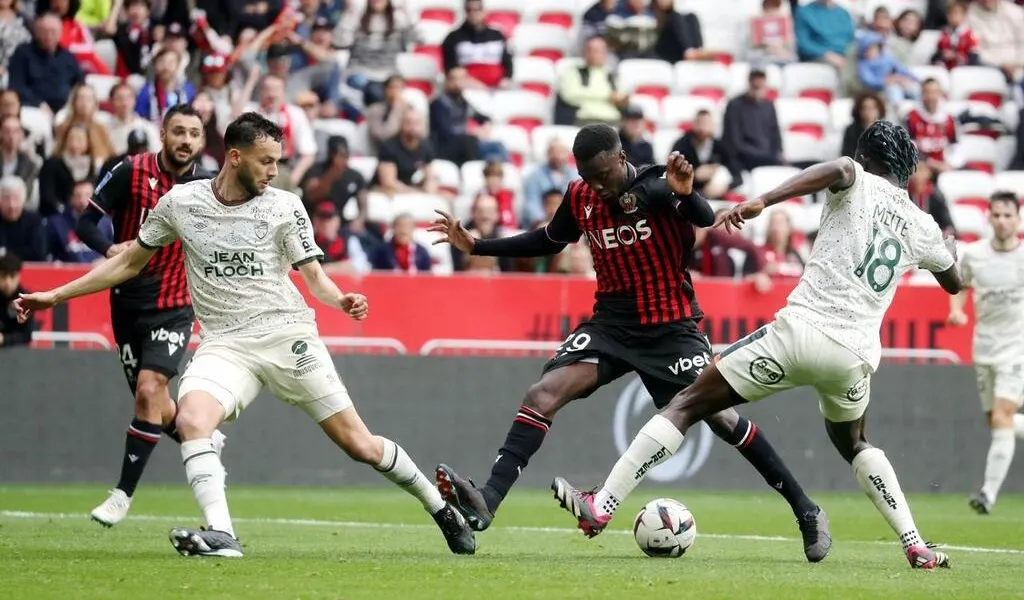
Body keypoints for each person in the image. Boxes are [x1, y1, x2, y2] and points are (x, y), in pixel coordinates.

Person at [15, 112, 475, 558]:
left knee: (361, 445)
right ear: (234, 157)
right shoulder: (181, 203)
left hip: (287, 337)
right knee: (192, 421)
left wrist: (341, 300)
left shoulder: (284, 205)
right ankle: (222, 533)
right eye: (265, 161)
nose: (274, 171)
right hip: (224, 344)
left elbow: (314, 277)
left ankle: (439, 507)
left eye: (277, 161)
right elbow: (129, 261)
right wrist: (54, 296)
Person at [550, 120, 960, 570]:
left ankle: (603, 505)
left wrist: (763, 200)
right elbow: (954, 282)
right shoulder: (923, 225)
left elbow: (837, 168)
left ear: (866, 158)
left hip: (799, 333)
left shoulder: (854, 174)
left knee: (686, 403)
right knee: (857, 442)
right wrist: (949, 248)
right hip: (855, 357)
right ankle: (915, 543)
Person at [428, 123, 831, 562]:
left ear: (621, 159)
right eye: (589, 177)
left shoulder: (658, 186)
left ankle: (806, 510)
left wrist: (688, 191)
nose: (598, 187)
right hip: (612, 326)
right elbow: (549, 238)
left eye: (603, 176)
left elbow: (700, 217)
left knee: (721, 419)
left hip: (671, 328)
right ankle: (487, 499)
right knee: (542, 393)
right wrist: (477, 246)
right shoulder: (580, 195)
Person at [72, 104, 217, 528]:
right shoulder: (129, 171)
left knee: (150, 389)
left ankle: (122, 495)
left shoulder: (209, 185)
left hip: (175, 304)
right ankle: (202, 437)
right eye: (179, 131)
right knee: (153, 401)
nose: (186, 140)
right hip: (125, 302)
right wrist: (109, 248)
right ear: (163, 133)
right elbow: (86, 224)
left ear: (201, 141)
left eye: (194, 133)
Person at [947, 191, 1024, 515]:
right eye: (997, 215)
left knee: (1003, 416)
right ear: (989, 218)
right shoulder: (975, 254)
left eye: (1008, 215)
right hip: (984, 347)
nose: (1002, 221)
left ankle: (987, 494)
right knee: (997, 421)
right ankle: (988, 492)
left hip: (1016, 349)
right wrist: (956, 311)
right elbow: (960, 285)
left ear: (1018, 219)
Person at [0, 253, 32, 347]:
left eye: (12, 276)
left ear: (18, 276)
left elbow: (26, 336)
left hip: (16, 353)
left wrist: (4, 339)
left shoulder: (26, 299)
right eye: (3, 276)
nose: (8, 282)